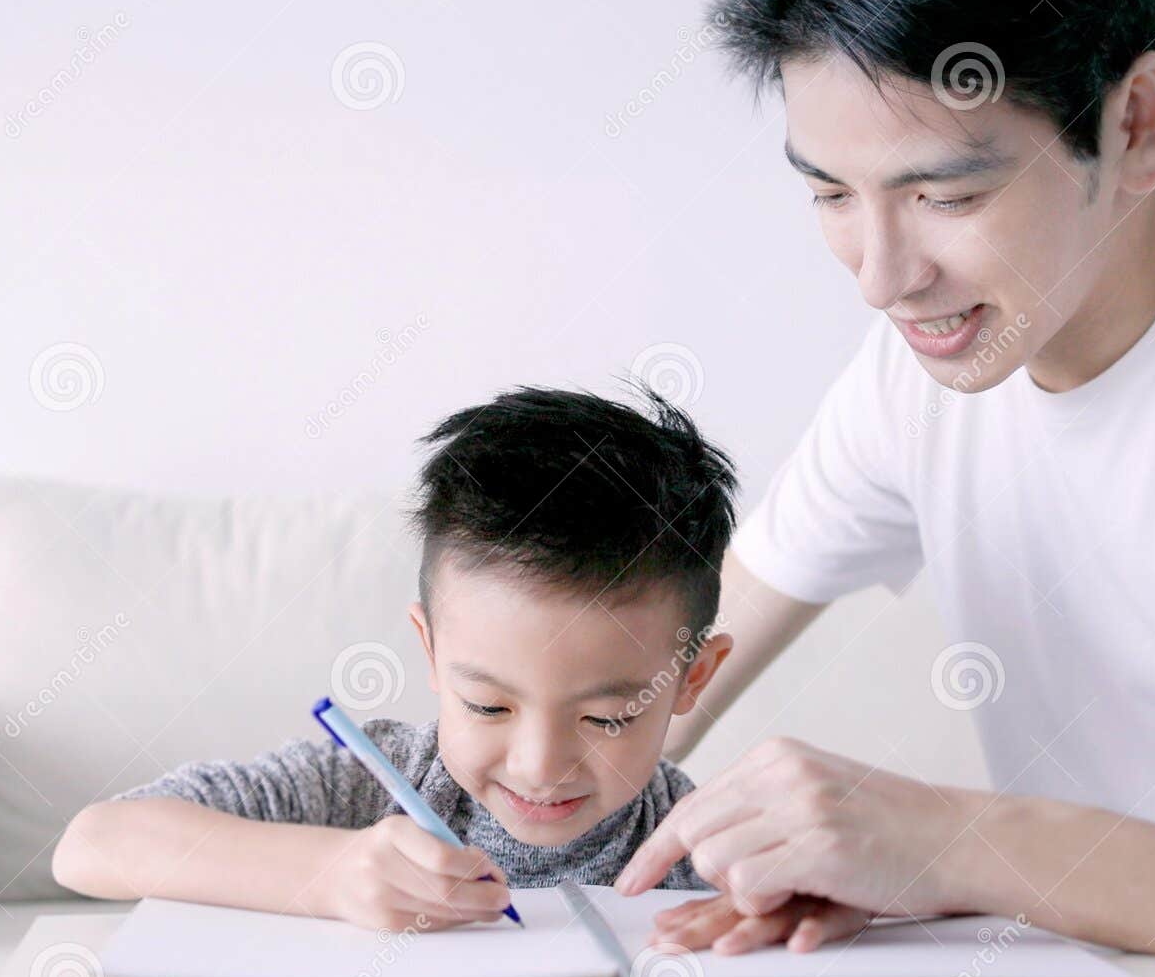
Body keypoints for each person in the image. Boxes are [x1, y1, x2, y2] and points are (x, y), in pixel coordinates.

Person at [621, 0, 1155, 970]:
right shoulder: (917, 377)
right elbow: (643, 691)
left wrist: (951, 846)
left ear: (1137, 127)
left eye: (945, 195)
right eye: (827, 192)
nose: (881, 277)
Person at [53, 384, 736, 930]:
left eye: (607, 717)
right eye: (488, 705)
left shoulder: (698, 842)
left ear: (692, 676)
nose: (539, 765)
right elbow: (92, 843)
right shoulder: (371, 784)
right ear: (431, 651)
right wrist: (330, 872)